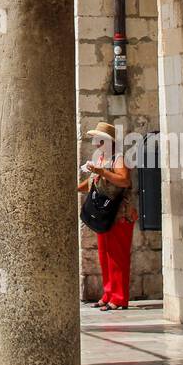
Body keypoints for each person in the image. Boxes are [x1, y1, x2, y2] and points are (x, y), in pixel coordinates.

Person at [78, 120, 137, 311]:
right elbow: (93, 182)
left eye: (100, 140)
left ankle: (119, 298)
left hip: (120, 214)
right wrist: (75, 188)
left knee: (117, 257)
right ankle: (108, 294)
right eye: (96, 140)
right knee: (105, 256)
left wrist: (101, 171)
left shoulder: (118, 158)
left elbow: (124, 181)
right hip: (105, 214)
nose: (96, 144)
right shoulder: (102, 159)